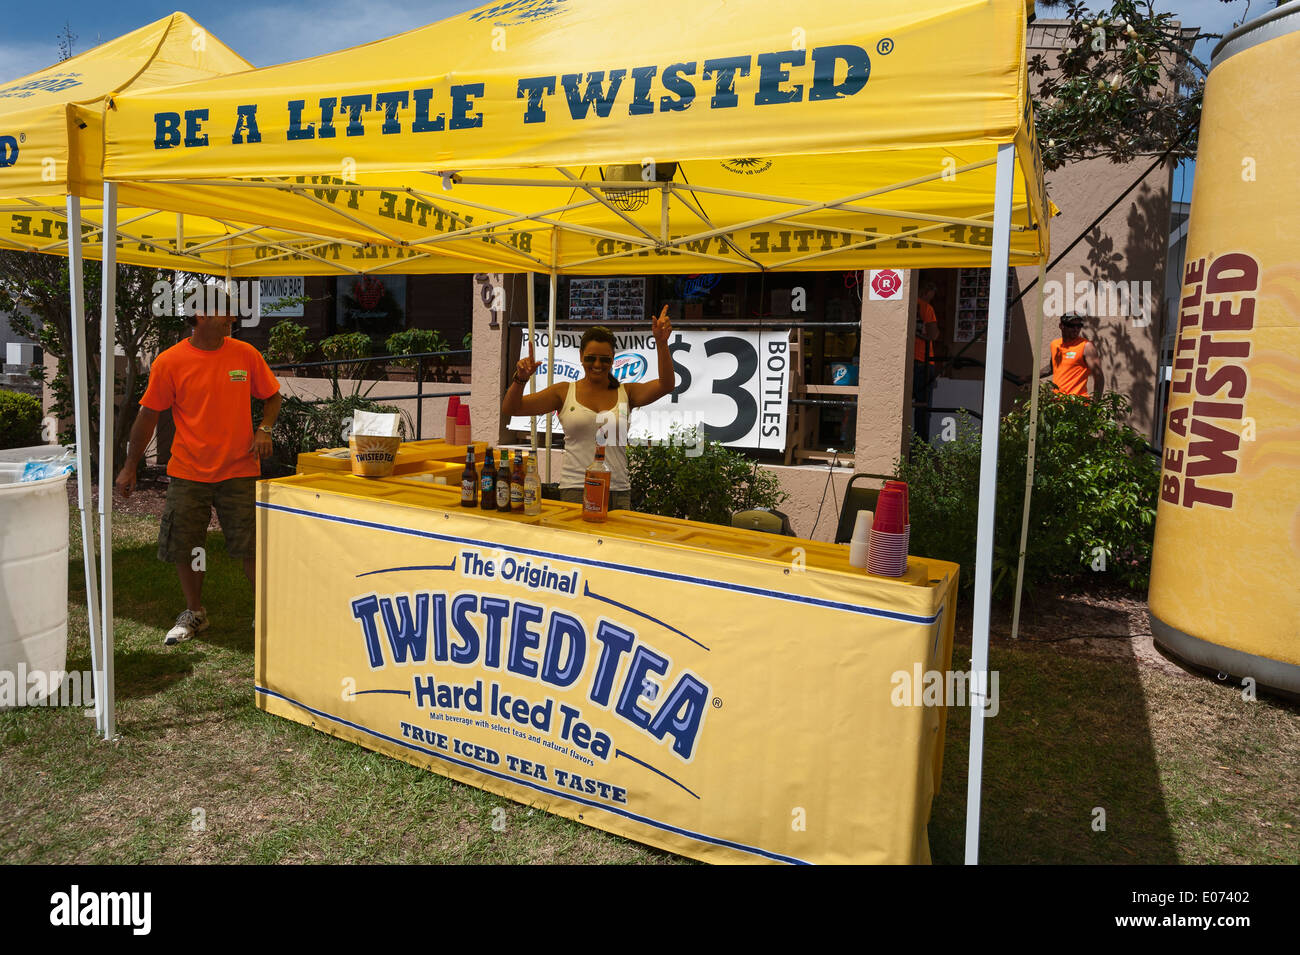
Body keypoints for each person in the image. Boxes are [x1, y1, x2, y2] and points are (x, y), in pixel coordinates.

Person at [114, 301, 282, 645]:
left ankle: (267, 614)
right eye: (226, 312)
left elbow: (273, 397)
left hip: (239, 469)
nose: (233, 318)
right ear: (202, 316)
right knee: (190, 546)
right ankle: (195, 613)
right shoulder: (170, 361)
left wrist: (264, 428)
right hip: (189, 472)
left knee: (250, 545)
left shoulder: (245, 354)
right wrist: (130, 467)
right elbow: (148, 415)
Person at [502, 307, 674, 510]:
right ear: (581, 355)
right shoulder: (564, 392)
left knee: (616, 543)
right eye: (591, 358)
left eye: (605, 359)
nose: (597, 364)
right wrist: (520, 378)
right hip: (576, 489)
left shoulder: (626, 392)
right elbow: (512, 408)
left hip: (617, 490)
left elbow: (666, 385)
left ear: (613, 359)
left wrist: (662, 343)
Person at [1041, 313, 1104, 398]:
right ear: (1061, 326)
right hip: (1056, 405)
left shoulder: (1086, 346)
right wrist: (1027, 378)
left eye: (1079, 326)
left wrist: (1095, 406)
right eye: (1071, 325)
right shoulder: (1055, 345)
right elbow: (1053, 367)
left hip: (1077, 405)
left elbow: (1099, 376)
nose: (1076, 329)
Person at [913, 279, 940, 441]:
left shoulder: (906, 305)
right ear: (926, 292)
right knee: (923, 407)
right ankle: (920, 444)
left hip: (907, 361)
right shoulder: (926, 308)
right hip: (923, 360)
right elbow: (933, 335)